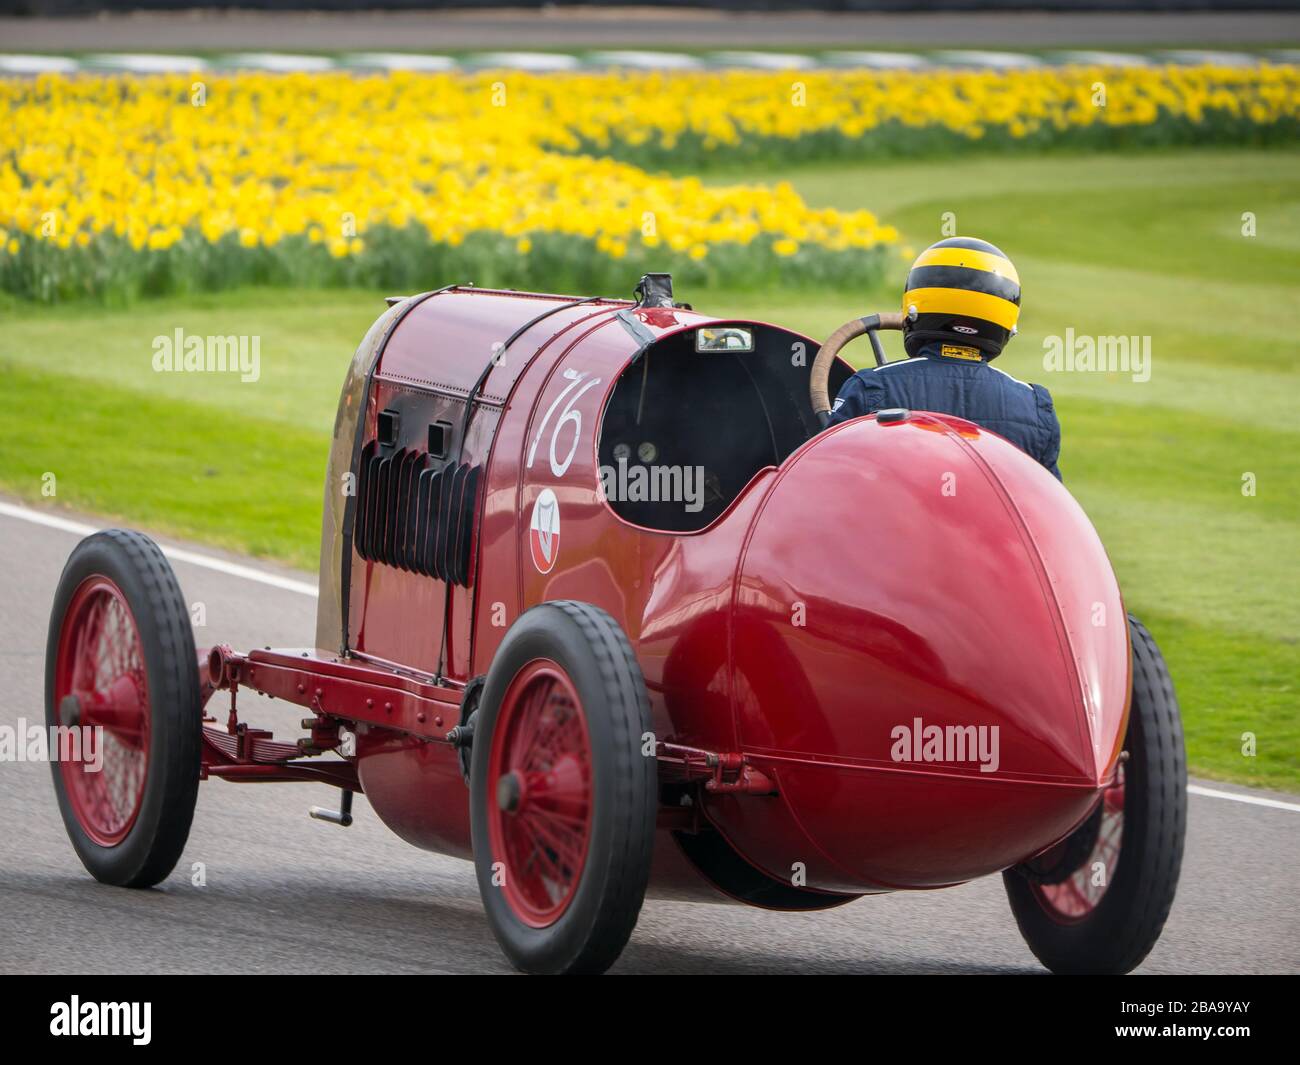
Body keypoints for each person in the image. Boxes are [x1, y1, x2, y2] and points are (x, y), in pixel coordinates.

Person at [828, 237, 1061, 480]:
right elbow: (1049, 505)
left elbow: (825, 477)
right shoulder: (1035, 407)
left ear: (913, 307)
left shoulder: (870, 388)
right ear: (1006, 320)